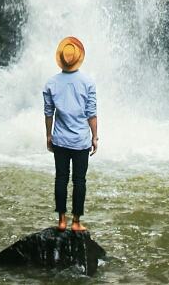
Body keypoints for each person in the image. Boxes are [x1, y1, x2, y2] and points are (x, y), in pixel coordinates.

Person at [42, 36, 98, 232]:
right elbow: (91, 113)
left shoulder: (51, 83)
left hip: (60, 139)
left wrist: (49, 135)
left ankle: (61, 221)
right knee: (79, 180)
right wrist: (95, 137)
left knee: (61, 178)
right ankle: (76, 222)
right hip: (81, 140)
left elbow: (49, 112)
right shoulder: (88, 82)